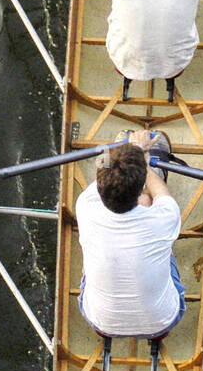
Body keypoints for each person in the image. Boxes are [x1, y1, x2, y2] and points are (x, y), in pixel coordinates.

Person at [76, 132, 185, 339]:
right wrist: (143, 158)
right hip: (162, 322)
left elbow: (102, 173)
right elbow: (162, 193)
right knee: (149, 205)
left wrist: (124, 150)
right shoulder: (166, 216)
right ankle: (156, 334)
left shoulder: (84, 205)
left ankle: (121, 150)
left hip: (100, 323)